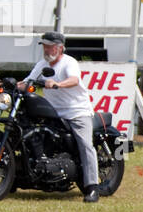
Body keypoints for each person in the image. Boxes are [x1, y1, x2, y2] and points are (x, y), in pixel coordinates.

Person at [20, 32, 101, 202]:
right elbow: (27, 82)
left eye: (50, 46)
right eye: (44, 46)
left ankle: (92, 187)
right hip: (53, 112)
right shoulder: (42, 64)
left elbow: (74, 80)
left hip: (77, 111)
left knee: (86, 145)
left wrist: (58, 84)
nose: (46, 49)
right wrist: (9, 85)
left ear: (60, 48)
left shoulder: (69, 62)